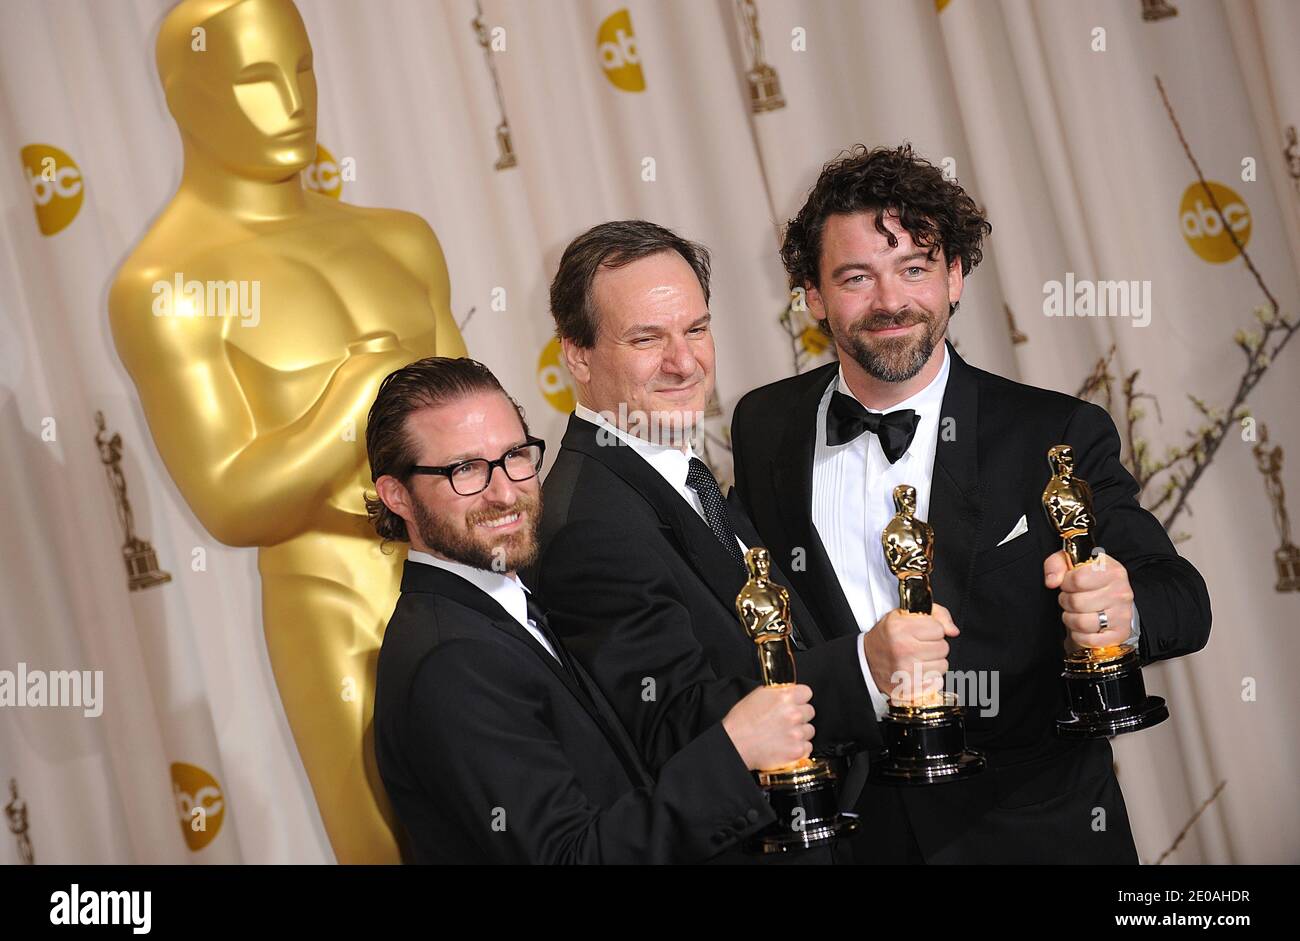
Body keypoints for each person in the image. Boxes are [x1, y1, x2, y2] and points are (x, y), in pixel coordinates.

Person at [730, 143, 1212, 863]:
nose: (891, 302)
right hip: (851, 834)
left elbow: (1185, 600)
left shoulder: (1053, 432)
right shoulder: (764, 425)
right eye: (857, 277)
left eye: (915, 269)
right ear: (812, 295)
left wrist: (1124, 610)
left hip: (1028, 834)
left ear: (955, 277)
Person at [367, 356, 814, 864]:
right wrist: (731, 755)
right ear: (397, 495)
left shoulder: (503, 607)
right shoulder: (451, 662)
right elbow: (571, 857)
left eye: (514, 455)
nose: (505, 490)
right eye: (465, 469)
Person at [532, 221, 881, 865]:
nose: (684, 362)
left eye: (695, 329)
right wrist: (864, 669)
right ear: (576, 356)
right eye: (646, 338)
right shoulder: (591, 524)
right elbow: (677, 723)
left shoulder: (673, 471)